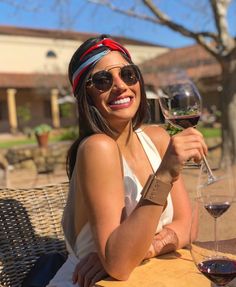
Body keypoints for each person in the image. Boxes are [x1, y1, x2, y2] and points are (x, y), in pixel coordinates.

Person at [48, 34, 207, 287]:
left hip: (151, 277)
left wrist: (143, 249)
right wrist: (164, 174)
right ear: (85, 95)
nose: (120, 85)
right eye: (102, 80)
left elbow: (189, 228)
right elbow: (120, 266)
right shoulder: (97, 149)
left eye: (128, 74)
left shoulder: (157, 138)